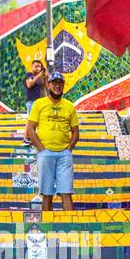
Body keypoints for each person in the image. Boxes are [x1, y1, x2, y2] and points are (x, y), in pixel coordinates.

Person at [26, 71, 79, 212]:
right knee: (47, 193)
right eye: (54, 83)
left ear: (63, 86)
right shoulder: (39, 104)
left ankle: (70, 227)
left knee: (66, 192)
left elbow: (75, 131)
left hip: (64, 154)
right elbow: (30, 129)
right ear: (48, 85)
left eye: (60, 83)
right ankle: (47, 227)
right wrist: (41, 149)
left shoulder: (69, 106)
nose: (57, 86)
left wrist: (69, 149)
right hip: (45, 153)